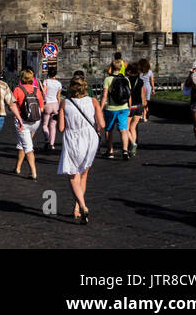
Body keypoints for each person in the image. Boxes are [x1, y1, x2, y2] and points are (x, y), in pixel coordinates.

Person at [58, 74, 105, 224]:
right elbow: (102, 125)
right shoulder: (93, 101)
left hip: (72, 139)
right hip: (90, 139)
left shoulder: (65, 103)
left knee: (73, 175)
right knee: (84, 174)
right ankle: (77, 208)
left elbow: (61, 128)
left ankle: (83, 206)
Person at [12, 67, 45, 180]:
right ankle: (18, 167)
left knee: (28, 147)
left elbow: (12, 105)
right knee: (23, 142)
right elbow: (41, 108)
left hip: (22, 121)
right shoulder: (37, 90)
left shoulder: (17, 90)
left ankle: (33, 171)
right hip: (35, 121)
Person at [100, 59, 133, 159]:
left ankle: (110, 152)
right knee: (123, 129)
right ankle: (125, 151)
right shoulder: (126, 79)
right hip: (124, 107)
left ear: (111, 67)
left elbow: (105, 96)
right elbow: (129, 95)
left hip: (111, 108)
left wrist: (100, 108)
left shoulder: (108, 79)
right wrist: (129, 106)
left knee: (109, 130)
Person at [125, 62, 146, 154]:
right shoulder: (140, 81)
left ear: (129, 71)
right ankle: (133, 149)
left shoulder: (127, 80)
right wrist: (144, 106)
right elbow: (142, 94)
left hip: (131, 106)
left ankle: (133, 143)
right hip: (139, 105)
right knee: (133, 127)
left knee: (125, 128)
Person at [40, 69, 63, 153]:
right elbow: (59, 96)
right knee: (53, 125)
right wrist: (59, 107)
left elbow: (44, 93)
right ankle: (52, 144)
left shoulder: (46, 81)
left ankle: (47, 139)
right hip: (55, 104)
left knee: (45, 124)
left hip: (47, 104)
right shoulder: (59, 84)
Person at [137, 56, 155, 123]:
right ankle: (144, 116)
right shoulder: (150, 72)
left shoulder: (139, 72)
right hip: (148, 87)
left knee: (141, 101)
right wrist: (153, 88)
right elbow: (152, 81)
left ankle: (141, 115)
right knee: (146, 102)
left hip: (141, 87)